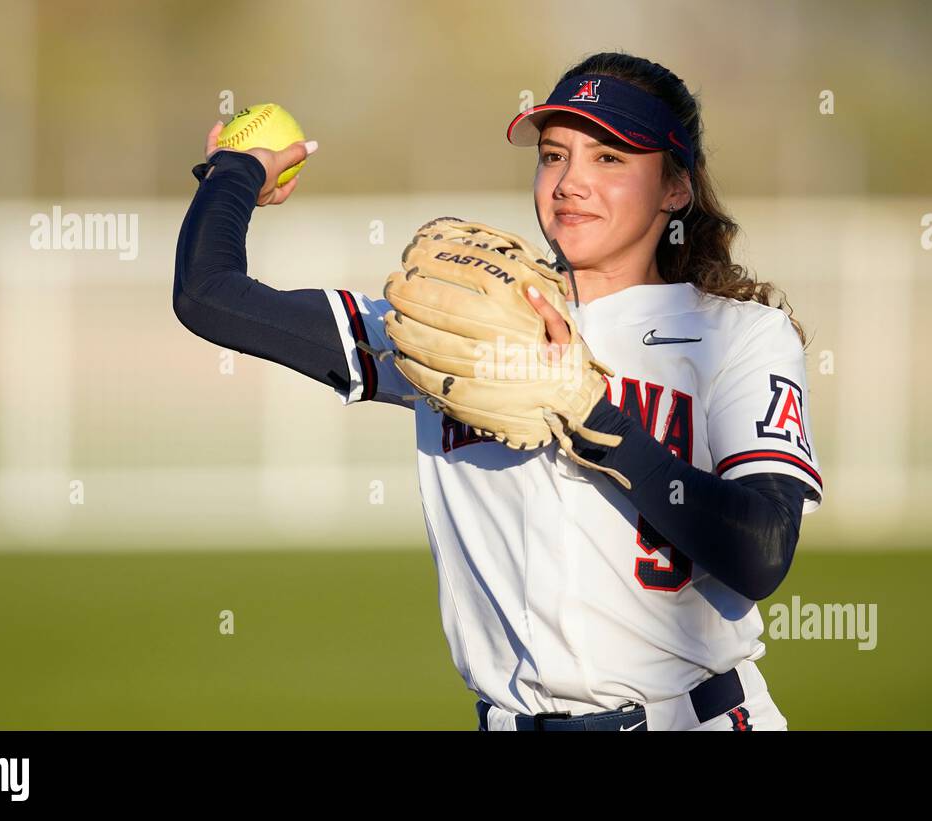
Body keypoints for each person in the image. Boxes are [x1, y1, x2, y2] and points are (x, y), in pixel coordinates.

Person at [174, 51, 823, 731]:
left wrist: (595, 419)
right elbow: (208, 297)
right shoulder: (448, 327)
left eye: (609, 158)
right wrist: (236, 172)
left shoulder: (734, 335)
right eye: (553, 155)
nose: (571, 182)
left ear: (675, 189)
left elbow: (762, 552)